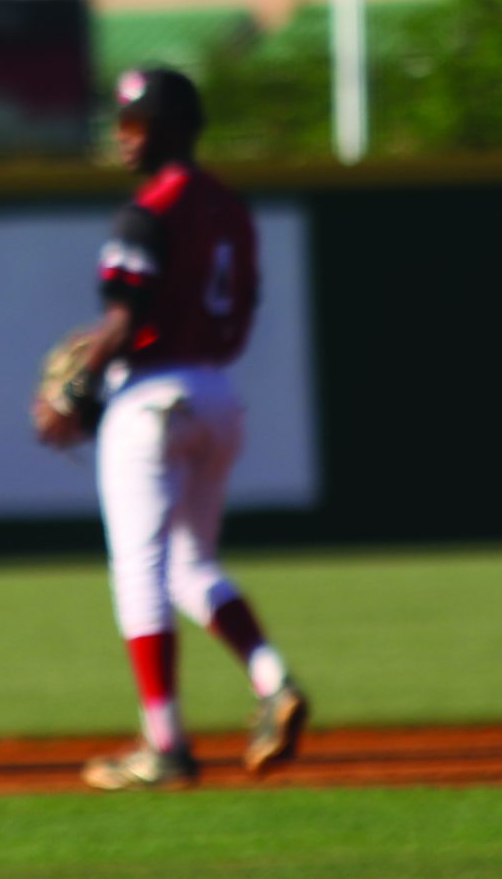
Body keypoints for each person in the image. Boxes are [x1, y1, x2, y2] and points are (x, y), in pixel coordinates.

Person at [35, 67, 308, 791]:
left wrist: (73, 394)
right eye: (121, 119)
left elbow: (124, 321)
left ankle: (164, 742)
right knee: (190, 565)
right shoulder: (229, 209)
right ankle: (272, 680)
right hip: (218, 393)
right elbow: (242, 307)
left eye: (136, 121)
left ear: (172, 129)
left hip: (151, 400)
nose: (123, 133)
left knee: (140, 570)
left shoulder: (147, 211)